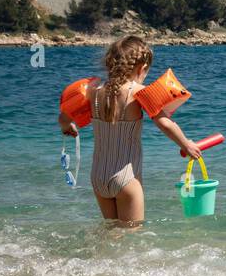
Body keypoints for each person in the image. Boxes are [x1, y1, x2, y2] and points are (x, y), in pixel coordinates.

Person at [58, 36, 202, 225]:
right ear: (142, 68)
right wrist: (187, 144)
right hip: (126, 178)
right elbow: (165, 123)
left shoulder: (93, 90)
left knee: (111, 233)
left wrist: (69, 128)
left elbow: (64, 118)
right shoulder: (138, 92)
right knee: (131, 237)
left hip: (98, 177)